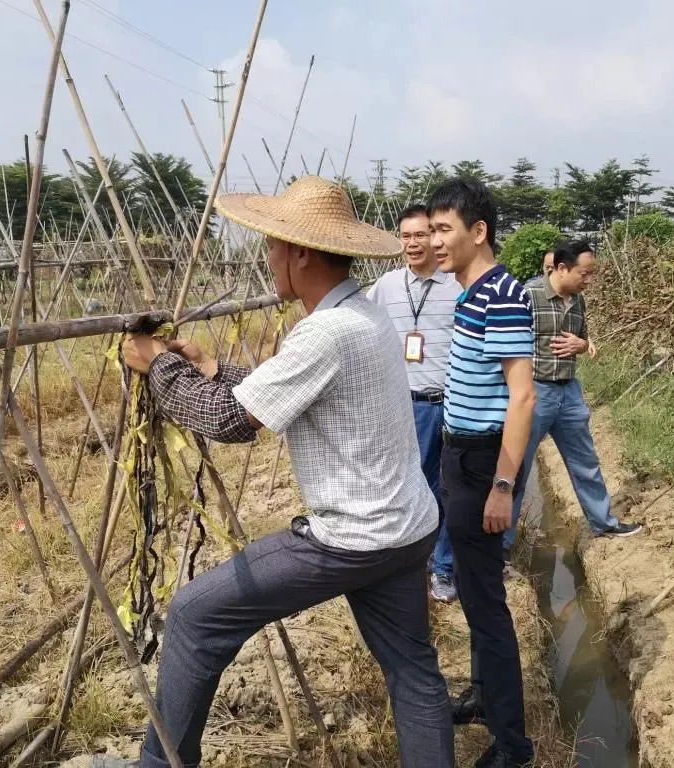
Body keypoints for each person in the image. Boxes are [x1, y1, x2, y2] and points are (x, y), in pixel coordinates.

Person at [117, 176, 455, 768]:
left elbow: (230, 420)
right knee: (413, 670)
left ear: (299, 252)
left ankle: (159, 764)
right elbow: (275, 391)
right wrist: (211, 364)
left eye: (272, 245)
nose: (267, 257)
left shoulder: (325, 332)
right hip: (408, 526)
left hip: (354, 537)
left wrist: (156, 369)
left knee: (195, 614)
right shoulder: (362, 315)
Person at [428, 177, 536, 768]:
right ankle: (482, 693)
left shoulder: (505, 296)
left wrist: (502, 487)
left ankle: (514, 746)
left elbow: (522, 398)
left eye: (445, 229)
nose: (436, 241)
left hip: (482, 464)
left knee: (488, 604)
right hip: (459, 455)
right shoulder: (471, 293)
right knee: (472, 592)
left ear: (479, 232)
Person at [503, 240, 642, 560]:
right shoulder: (529, 296)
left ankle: (603, 523)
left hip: (570, 391)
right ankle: (502, 546)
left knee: (586, 461)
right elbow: (509, 341)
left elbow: (583, 339)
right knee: (518, 467)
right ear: (562, 268)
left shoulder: (578, 301)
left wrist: (581, 345)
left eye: (591, 274)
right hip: (535, 393)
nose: (589, 280)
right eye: (584, 273)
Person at [368, 204, 462, 603]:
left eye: (420, 235)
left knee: (448, 488)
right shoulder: (386, 287)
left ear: (434, 237)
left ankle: (442, 568)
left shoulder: (456, 286)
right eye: (405, 236)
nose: (412, 243)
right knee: (405, 484)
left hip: (449, 402)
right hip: (401, 403)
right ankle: (408, 562)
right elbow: (360, 327)